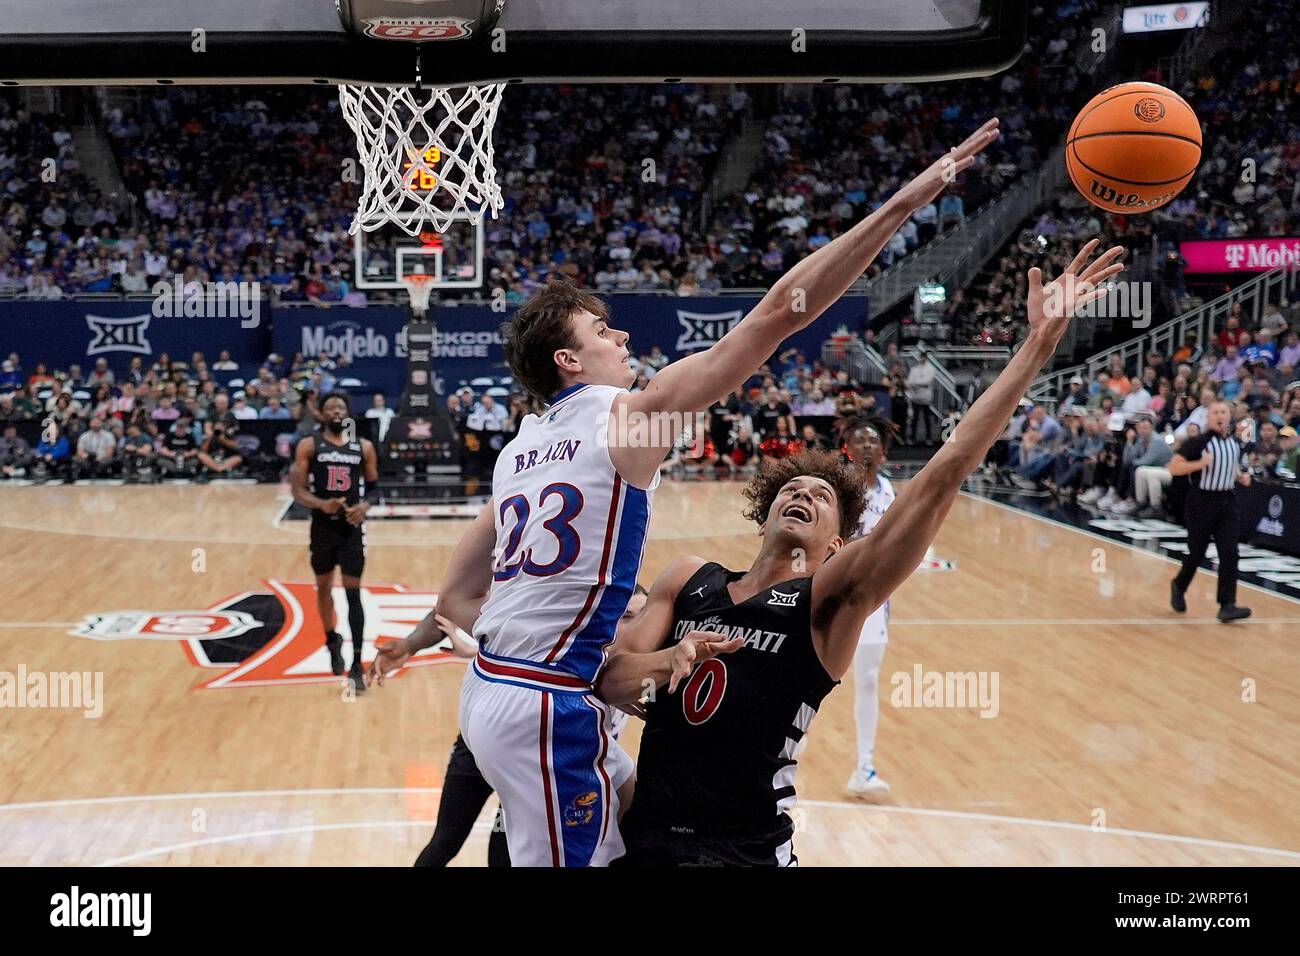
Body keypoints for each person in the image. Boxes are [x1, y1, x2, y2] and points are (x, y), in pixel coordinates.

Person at [432, 118, 1008, 869]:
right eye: (605, 331)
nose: (625, 340)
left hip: (499, 690)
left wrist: (542, 644)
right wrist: (907, 201)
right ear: (570, 360)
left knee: (630, 830)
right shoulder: (631, 420)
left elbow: (455, 598)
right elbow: (778, 314)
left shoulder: (520, 450)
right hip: (544, 703)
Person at [593, 237, 1124, 866]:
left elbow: (945, 471)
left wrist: (1039, 342)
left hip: (747, 853)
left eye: (823, 497)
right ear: (766, 517)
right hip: (645, 842)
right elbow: (609, 677)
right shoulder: (689, 580)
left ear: (837, 544)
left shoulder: (825, 603)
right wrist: (665, 662)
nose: (805, 494)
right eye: (794, 488)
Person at [371, 586, 650, 867]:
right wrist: (410, 645)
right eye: (626, 616)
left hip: (533, 761)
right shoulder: (570, 636)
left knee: (504, 851)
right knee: (445, 841)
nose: (637, 625)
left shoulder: (643, 666)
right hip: (488, 747)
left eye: (643, 616)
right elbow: (451, 608)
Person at [289, 392, 380, 692]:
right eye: (330, 408)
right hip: (322, 528)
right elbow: (297, 490)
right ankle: (332, 640)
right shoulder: (309, 444)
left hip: (351, 529)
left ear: (348, 412)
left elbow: (376, 489)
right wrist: (320, 503)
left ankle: (357, 663)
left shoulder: (363, 446)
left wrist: (364, 507)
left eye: (341, 407)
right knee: (324, 588)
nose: (336, 411)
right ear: (322, 414)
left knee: (354, 594)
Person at [838, 413, 899, 798]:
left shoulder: (889, 491)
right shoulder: (839, 487)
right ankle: (787, 753)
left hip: (875, 598)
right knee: (814, 679)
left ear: (883, 450)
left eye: (872, 440)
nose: (866, 445)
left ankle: (864, 767)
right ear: (847, 447)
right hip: (837, 591)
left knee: (869, 680)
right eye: (858, 439)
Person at [1167, 401, 1252, 622]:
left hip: (1227, 501)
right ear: (1208, 417)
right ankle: (1179, 585)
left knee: (1230, 553)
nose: (1220, 416)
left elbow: (1231, 466)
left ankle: (1227, 604)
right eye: (1216, 413)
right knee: (1196, 553)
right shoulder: (1198, 443)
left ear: (1230, 416)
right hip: (1201, 502)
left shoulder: (1234, 442)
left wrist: (1240, 477)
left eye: (1224, 412)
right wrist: (1199, 464)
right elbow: (1174, 467)